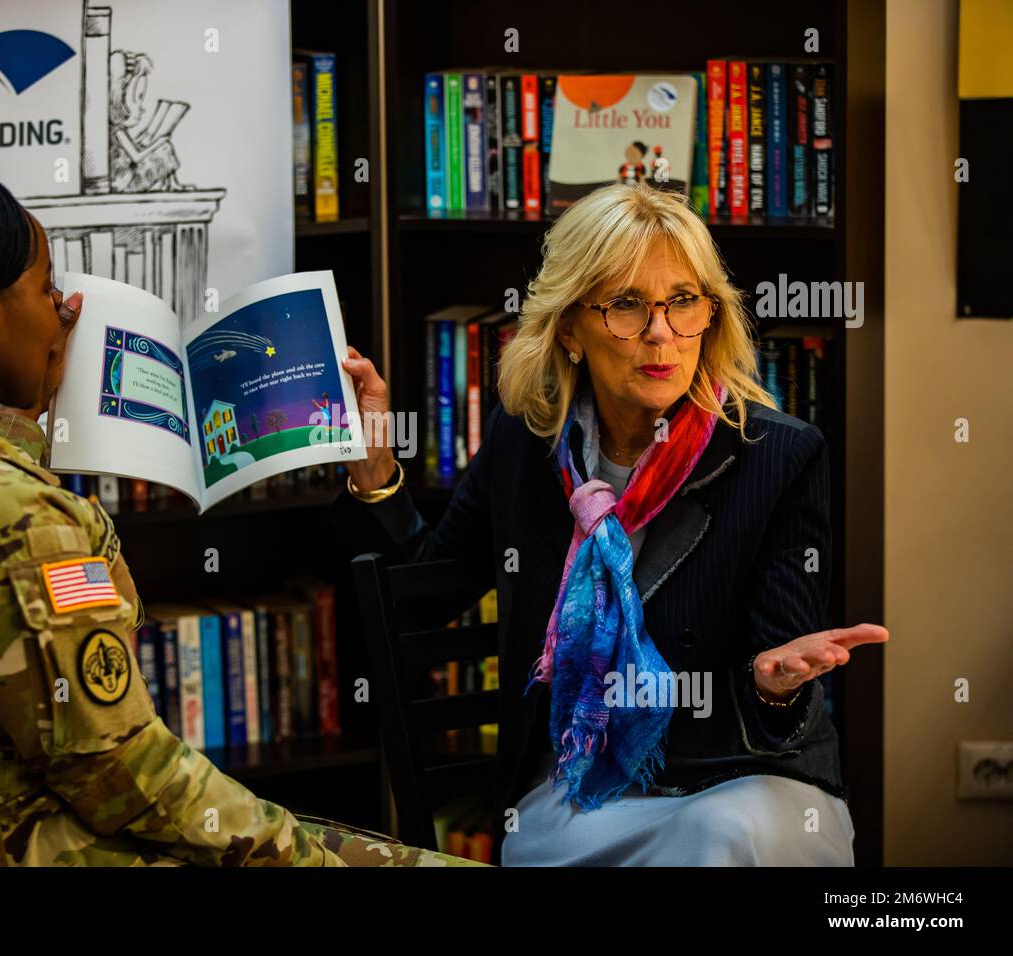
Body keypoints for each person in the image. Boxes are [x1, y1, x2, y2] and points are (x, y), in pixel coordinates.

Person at [0, 165, 477, 867]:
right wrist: (312, 860)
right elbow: (124, 777)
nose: (64, 309)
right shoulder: (15, 514)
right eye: (47, 287)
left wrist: (20, 424)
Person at [334, 181, 888, 866]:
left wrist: (774, 685)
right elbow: (425, 599)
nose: (661, 334)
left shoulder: (780, 456)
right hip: (578, 785)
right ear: (570, 326)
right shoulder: (526, 441)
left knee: (722, 837)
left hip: (741, 775)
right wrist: (375, 468)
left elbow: (776, 715)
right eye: (627, 305)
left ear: (710, 315)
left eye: (683, 301)